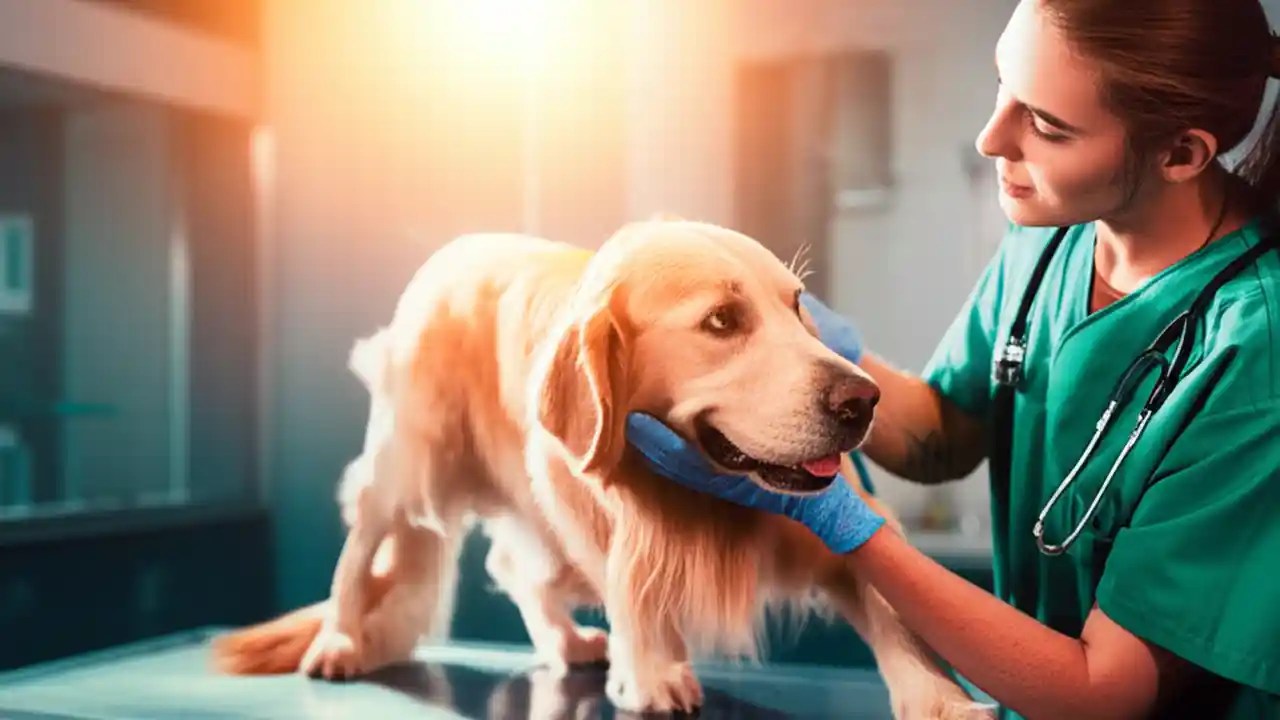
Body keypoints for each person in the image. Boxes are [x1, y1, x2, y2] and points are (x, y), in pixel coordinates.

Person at [625, 1, 1280, 718]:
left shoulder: (1257, 350)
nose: (991, 138)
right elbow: (944, 435)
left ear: (1181, 154)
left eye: (1047, 125)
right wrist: (804, 352)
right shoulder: (1053, 235)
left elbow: (1104, 693)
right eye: (1003, 85)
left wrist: (846, 524)